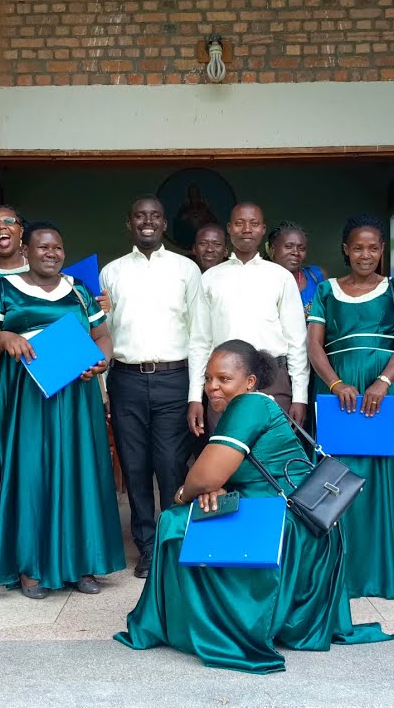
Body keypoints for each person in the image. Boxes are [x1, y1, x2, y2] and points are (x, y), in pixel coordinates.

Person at [115, 340, 394, 674]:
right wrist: (211, 484)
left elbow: (204, 476)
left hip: (291, 521)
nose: (213, 387)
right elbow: (213, 477)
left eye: (223, 378)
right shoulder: (250, 405)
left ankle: (213, 622)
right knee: (197, 515)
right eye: (208, 379)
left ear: (249, 382)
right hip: (302, 516)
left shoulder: (248, 406)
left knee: (175, 521)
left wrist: (181, 494)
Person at [0, 222, 126, 599]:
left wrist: (101, 360)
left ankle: (82, 563)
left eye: (57, 247)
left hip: (76, 398)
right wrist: (4, 336)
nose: (51, 253)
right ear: (27, 248)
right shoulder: (2, 290)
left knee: (79, 473)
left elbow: (102, 336)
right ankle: (31, 568)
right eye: (43, 247)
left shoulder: (79, 291)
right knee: (31, 475)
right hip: (26, 399)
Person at [306, 214, 394, 599]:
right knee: (339, 476)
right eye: (358, 247)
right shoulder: (325, 290)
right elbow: (314, 346)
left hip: (385, 388)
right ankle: (344, 572)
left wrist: (382, 381)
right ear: (346, 249)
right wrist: (335, 382)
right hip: (339, 389)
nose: (366, 254)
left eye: (373, 247)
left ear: (382, 250)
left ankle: (392, 570)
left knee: (388, 476)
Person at [99, 197, 202, 580]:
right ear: (130, 223)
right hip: (125, 377)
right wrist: (105, 388)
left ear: (164, 223)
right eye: (139, 216)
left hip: (174, 377)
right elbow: (103, 331)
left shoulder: (186, 269)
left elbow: (198, 334)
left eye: (155, 216)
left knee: (172, 465)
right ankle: (146, 545)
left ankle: (173, 540)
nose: (147, 222)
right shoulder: (111, 273)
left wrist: (195, 393)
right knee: (135, 465)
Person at [188, 202, 309, 437]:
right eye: (240, 223)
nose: (246, 229)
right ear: (230, 229)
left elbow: (297, 342)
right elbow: (200, 342)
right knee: (226, 455)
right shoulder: (211, 278)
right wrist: (195, 397)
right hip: (223, 382)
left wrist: (300, 397)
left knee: (272, 453)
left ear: (263, 229)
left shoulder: (280, 277)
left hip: (273, 377)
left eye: (253, 223)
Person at [267, 220, 328, 318]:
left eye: (301, 248)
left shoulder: (317, 276)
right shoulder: (263, 282)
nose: (296, 252)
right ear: (273, 249)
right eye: (288, 246)